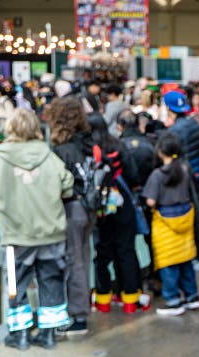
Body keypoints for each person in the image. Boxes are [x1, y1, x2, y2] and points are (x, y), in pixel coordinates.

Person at [0, 108, 74, 350]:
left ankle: (20, 333)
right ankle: (48, 333)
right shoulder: (48, 155)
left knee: (17, 284)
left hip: (17, 236)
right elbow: (67, 185)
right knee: (51, 281)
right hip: (51, 232)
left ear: (10, 128)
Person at [45, 97, 96, 336]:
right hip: (90, 207)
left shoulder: (61, 149)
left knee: (73, 260)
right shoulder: (87, 142)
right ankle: (81, 308)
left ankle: (77, 316)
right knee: (83, 257)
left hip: (71, 208)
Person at [86, 112, 144, 314]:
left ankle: (103, 300)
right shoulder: (119, 145)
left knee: (102, 253)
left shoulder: (87, 150)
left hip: (98, 208)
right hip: (121, 203)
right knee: (126, 250)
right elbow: (133, 175)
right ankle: (130, 300)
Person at [142, 132, 199, 316]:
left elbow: (151, 201)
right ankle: (192, 297)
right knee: (186, 261)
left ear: (160, 152)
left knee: (169, 264)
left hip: (165, 222)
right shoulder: (184, 168)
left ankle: (174, 301)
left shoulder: (157, 175)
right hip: (185, 218)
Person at [165, 90, 199, 271]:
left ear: (169, 109)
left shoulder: (173, 131)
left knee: (197, 218)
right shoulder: (195, 124)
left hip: (189, 179)